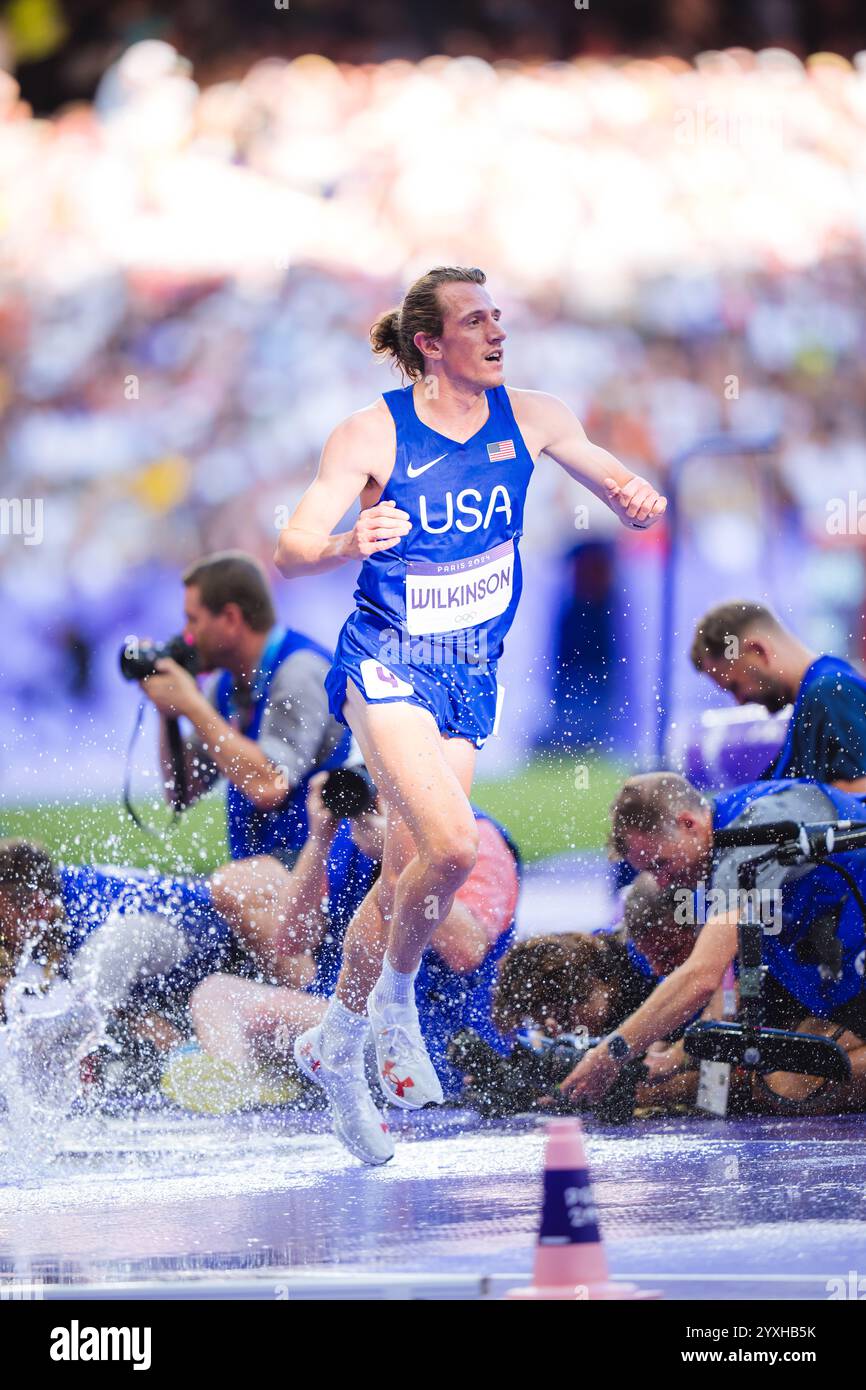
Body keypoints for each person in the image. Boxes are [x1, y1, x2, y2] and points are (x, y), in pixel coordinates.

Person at [273, 264, 666, 1163]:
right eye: (476, 320)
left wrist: (631, 495)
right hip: (386, 666)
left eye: (500, 316)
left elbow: (608, 475)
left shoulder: (532, 415)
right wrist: (347, 539)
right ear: (428, 343)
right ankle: (393, 1009)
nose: (497, 332)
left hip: (468, 672)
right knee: (454, 846)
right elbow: (291, 548)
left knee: (416, 874)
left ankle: (334, 1046)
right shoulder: (369, 434)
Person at [185, 773, 520, 1134]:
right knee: (215, 993)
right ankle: (254, 1088)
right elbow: (290, 941)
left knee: (225, 1000)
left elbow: (467, 949)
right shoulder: (350, 837)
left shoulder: (472, 839)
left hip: (433, 1045)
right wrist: (319, 839)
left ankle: (242, 1103)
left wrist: (403, 860)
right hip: (348, 1024)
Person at [560, 773, 866, 1113]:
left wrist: (610, 1053)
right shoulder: (716, 845)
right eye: (648, 871)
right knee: (782, 1074)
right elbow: (724, 995)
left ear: (688, 823)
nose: (661, 882)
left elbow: (701, 978)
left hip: (847, 969)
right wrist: (669, 1055)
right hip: (843, 978)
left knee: (792, 1087)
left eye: (660, 864)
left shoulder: (745, 846)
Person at [139, 551, 352, 874]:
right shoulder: (226, 684)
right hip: (268, 874)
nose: (186, 636)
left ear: (231, 618)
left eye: (192, 620)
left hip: (320, 874)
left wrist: (192, 707)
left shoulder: (299, 672)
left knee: (226, 888)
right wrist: (168, 711)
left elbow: (270, 785)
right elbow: (182, 791)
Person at [690, 601, 866, 793]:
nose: (739, 701)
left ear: (759, 651)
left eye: (735, 686)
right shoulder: (817, 697)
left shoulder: (829, 692)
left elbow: (859, 795)